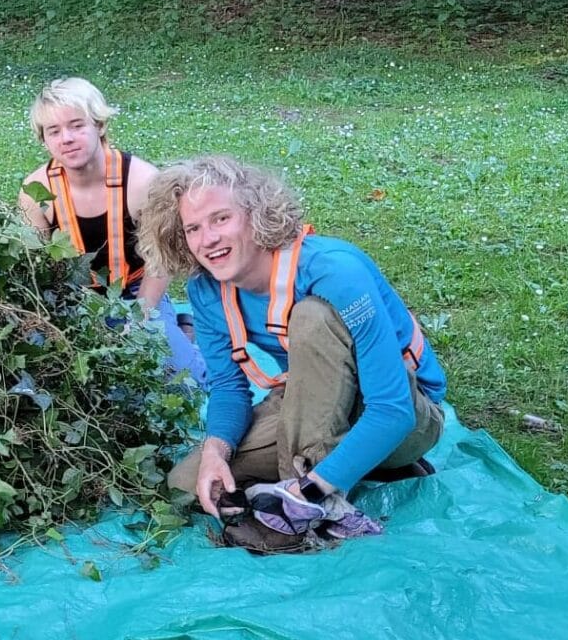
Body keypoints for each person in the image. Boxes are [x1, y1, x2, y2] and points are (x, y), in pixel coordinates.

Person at [139, 154, 446, 542]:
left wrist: (306, 492)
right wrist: (216, 451)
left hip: (407, 415)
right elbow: (229, 388)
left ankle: (305, 512)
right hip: (318, 397)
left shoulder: (334, 270)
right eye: (193, 228)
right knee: (186, 484)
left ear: (255, 215)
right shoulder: (206, 290)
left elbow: (393, 410)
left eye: (221, 218)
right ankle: (364, 466)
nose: (208, 239)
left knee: (312, 317)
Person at [17, 77, 207, 380]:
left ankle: (180, 331)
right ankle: (181, 329)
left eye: (77, 125)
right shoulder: (36, 191)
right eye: (54, 131)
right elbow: (36, 268)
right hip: (74, 300)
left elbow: (161, 260)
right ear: (44, 139)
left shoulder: (142, 181)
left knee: (189, 385)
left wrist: (142, 317)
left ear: (100, 125)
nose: (67, 138)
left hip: (136, 292)